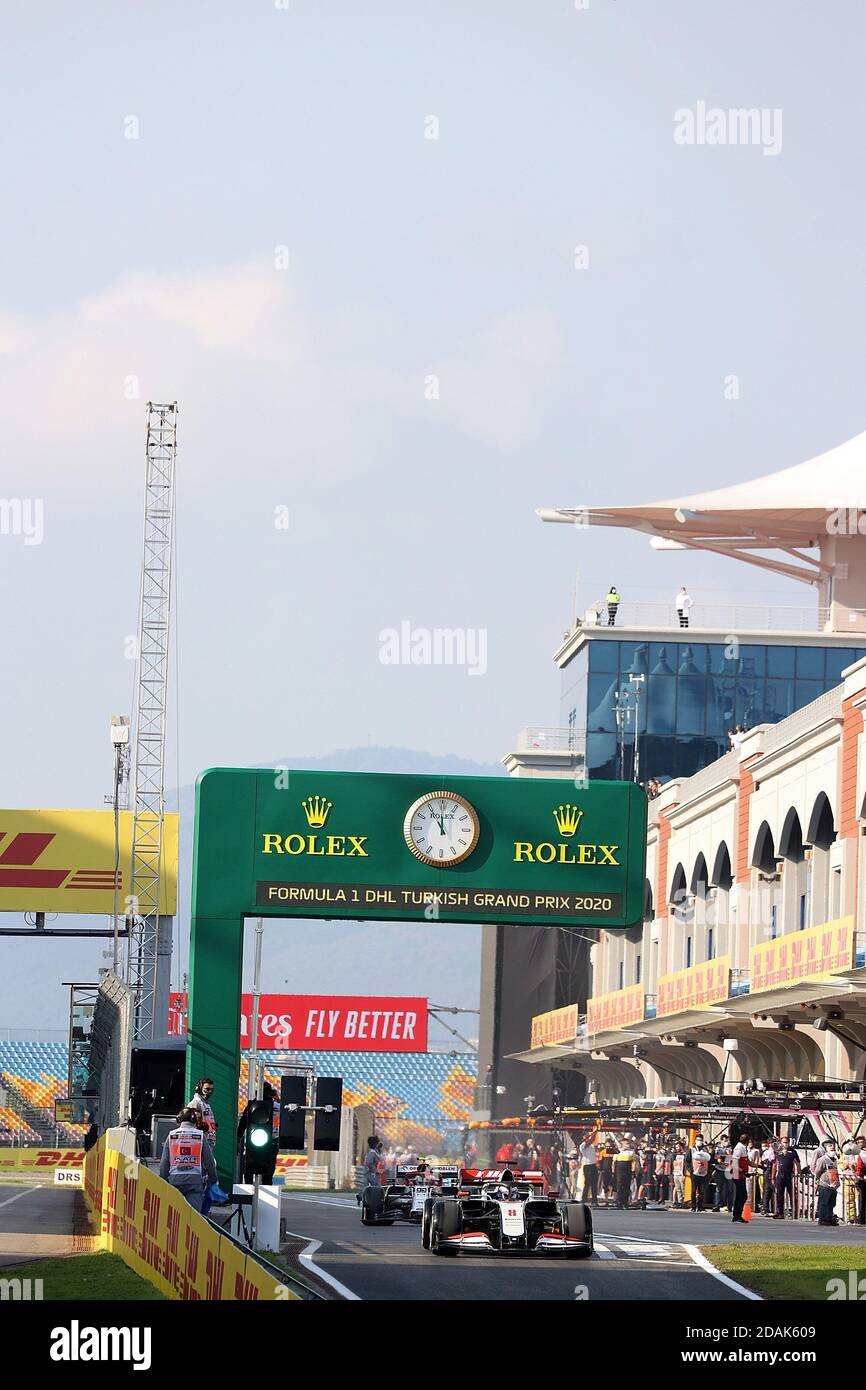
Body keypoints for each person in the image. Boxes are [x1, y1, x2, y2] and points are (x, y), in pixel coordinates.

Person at [159, 1107, 217, 1212]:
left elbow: (164, 1163)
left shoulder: (171, 1135)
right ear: (195, 1120)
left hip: (175, 1180)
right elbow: (209, 1161)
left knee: (175, 1214)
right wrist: (213, 1179)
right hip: (194, 1181)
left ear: (179, 1119)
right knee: (193, 1217)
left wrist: (164, 1181)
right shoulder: (200, 1135)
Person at [812, 1139, 841, 1226]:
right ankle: (823, 1219)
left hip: (833, 1185)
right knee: (824, 1202)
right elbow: (817, 1171)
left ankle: (829, 1217)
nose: (832, 1148)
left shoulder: (835, 1160)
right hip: (825, 1184)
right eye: (830, 1146)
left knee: (832, 1203)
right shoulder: (822, 1159)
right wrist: (818, 1181)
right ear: (825, 1149)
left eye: (833, 1146)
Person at [187, 1077, 218, 1151]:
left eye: (211, 1090)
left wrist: (212, 1127)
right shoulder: (196, 1103)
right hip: (199, 1142)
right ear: (199, 1088)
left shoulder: (205, 1104)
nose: (210, 1092)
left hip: (207, 1141)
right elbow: (190, 1124)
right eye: (207, 1089)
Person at [773, 1139, 798, 1218]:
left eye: (786, 1142)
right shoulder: (777, 1153)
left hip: (789, 1176)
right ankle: (779, 1212)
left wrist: (799, 1175)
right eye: (783, 1142)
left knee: (792, 1194)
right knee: (779, 1194)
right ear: (781, 1143)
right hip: (780, 1176)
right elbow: (774, 1165)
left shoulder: (793, 1152)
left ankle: (794, 1212)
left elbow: (797, 1163)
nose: (785, 1144)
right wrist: (773, 1177)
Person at [731, 1132, 751, 1224]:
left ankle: (737, 1215)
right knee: (742, 1195)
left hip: (741, 1175)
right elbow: (735, 1163)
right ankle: (737, 1216)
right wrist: (743, 1172)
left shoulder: (743, 1148)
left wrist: (759, 1166)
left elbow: (747, 1162)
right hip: (737, 1175)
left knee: (741, 1195)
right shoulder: (739, 1148)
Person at [688, 1134, 711, 1212]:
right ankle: (693, 1206)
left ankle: (700, 1206)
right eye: (698, 1140)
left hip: (703, 1173)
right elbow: (687, 1161)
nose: (699, 1141)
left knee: (702, 1191)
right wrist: (690, 1170)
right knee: (694, 1190)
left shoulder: (705, 1149)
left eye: (700, 1140)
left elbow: (709, 1160)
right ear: (695, 1141)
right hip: (694, 1173)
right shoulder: (692, 1150)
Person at [613, 1139, 637, 1210]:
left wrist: (633, 1171)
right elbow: (614, 1163)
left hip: (627, 1171)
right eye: (626, 1143)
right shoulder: (617, 1152)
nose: (628, 1145)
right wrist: (613, 1172)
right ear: (622, 1144)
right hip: (619, 1171)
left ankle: (625, 1202)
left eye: (628, 1143)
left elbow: (633, 1162)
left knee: (627, 1186)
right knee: (619, 1186)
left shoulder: (631, 1152)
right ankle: (619, 1202)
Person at [578, 1131, 599, 1207]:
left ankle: (594, 1200)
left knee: (594, 1184)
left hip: (593, 1166)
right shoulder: (582, 1145)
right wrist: (594, 1134)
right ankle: (584, 1199)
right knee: (587, 1184)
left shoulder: (592, 1145)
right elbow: (590, 1141)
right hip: (587, 1166)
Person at [760, 1138, 777, 1216]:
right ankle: (766, 1208)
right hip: (769, 1171)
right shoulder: (769, 1152)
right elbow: (770, 1162)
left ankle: (765, 1208)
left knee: (768, 1191)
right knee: (773, 1190)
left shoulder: (773, 1151)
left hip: (769, 1171)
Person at [854, 1135, 866, 1226]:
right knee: (862, 1200)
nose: (861, 1144)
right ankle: (862, 1219)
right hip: (862, 1179)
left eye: (862, 1142)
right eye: (859, 1142)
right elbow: (859, 1167)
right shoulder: (858, 1153)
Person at [672, 1142, 687, 1208]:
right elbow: (673, 1162)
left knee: (683, 1187)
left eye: (678, 1147)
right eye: (676, 1147)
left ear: (681, 1147)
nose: (677, 1149)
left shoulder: (685, 1154)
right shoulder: (675, 1154)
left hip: (682, 1173)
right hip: (676, 1173)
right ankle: (680, 1201)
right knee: (678, 1188)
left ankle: (684, 1201)